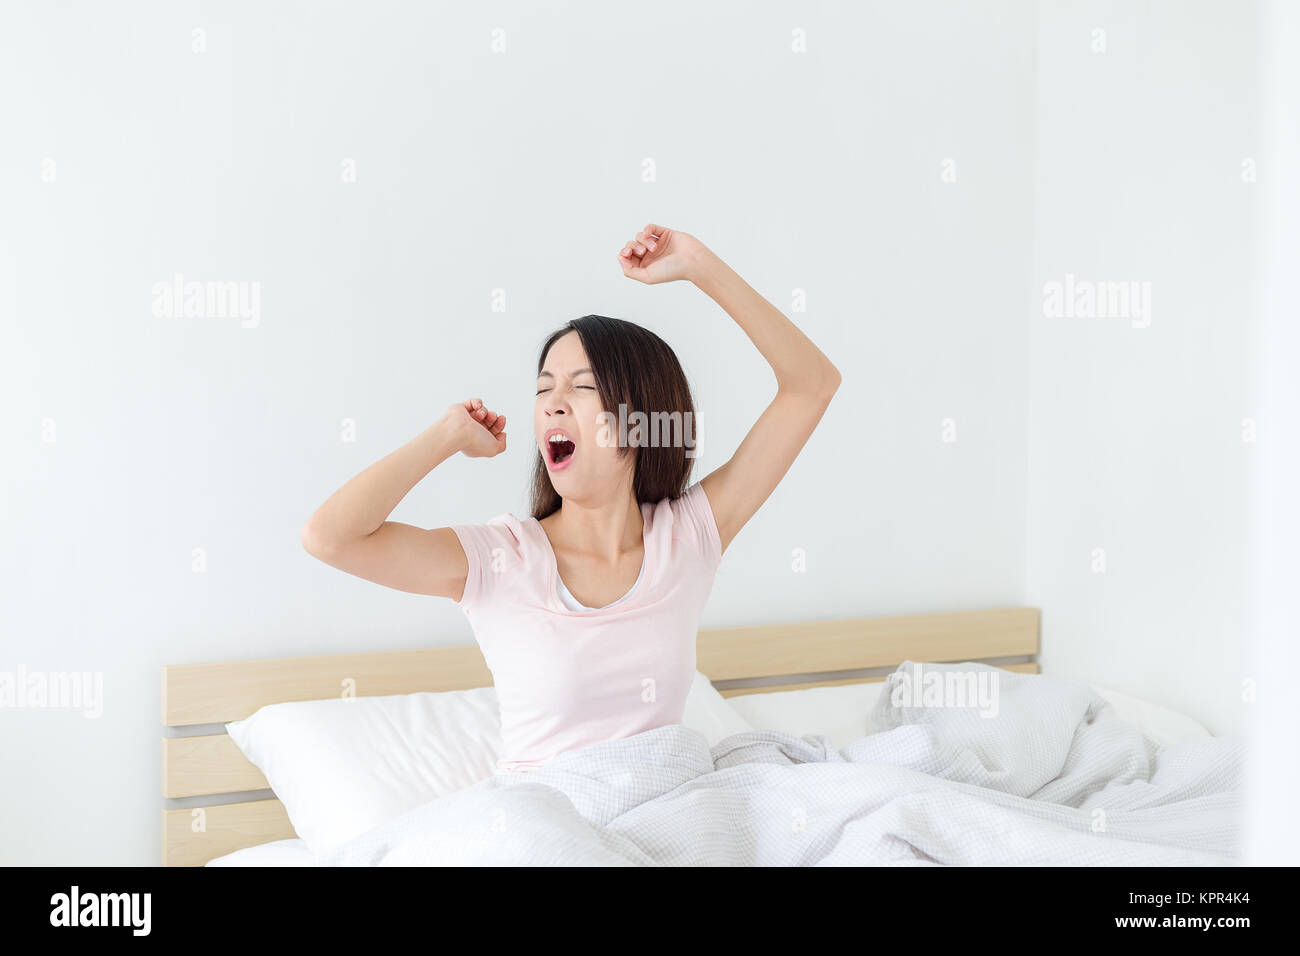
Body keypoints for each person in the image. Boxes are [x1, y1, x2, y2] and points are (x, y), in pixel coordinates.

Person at [301, 223, 841, 773]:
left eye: (582, 386)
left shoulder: (687, 538)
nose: (553, 403)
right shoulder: (501, 559)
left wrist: (698, 264)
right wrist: (445, 436)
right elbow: (330, 538)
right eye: (543, 389)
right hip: (546, 816)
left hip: (667, 805)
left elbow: (812, 385)